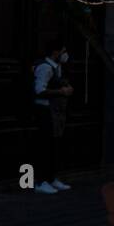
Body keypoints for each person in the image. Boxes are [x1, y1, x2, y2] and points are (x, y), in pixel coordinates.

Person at [31, 39, 74, 194]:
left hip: (55, 112)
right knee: (46, 146)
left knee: (54, 145)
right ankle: (41, 181)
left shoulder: (57, 68)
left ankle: (51, 178)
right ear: (55, 53)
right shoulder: (45, 67)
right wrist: (61, 92)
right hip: (45, 111)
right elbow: (39, 90)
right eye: (62, 51)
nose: (65, 55)